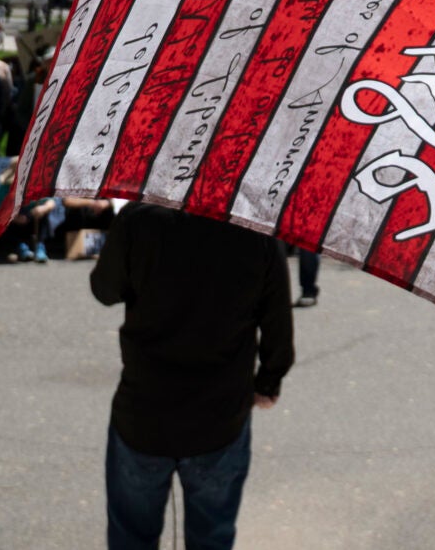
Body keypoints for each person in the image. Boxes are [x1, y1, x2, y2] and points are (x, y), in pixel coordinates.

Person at [90, 203, 291, 550]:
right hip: (220, 416)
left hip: (144, 412)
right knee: (211, 538)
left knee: (131, 538)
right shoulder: (256, 226)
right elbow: (277, 321)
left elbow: (104, 290)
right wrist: (268, 381)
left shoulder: (139, 217)